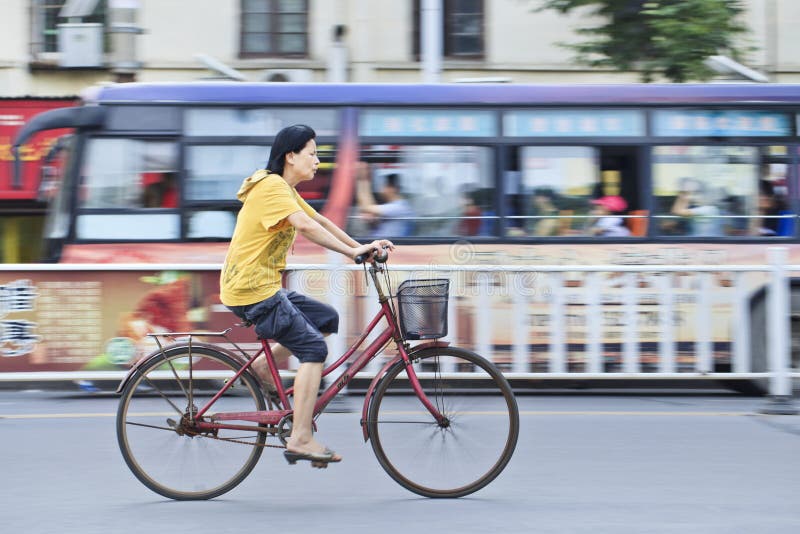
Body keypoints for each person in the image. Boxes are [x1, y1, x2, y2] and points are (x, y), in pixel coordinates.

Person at [220, 124, 394, 467]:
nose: (317, 161)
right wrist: (352, 254)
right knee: (313, 348)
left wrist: (359, 247)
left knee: (326, 319)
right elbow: (306, 226)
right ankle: (300, 437)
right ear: (290, 156)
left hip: (261, 285)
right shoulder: (271, 187)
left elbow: (322, 221)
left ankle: (260, 370)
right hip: (252, 289)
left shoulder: (283, 188)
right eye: (312, 154)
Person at [356, 166, 415, 237]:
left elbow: (366, 207)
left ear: (392, 188)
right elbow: (370, 212)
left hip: (385, 246)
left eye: (384, 186)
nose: (381, 190)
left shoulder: (399, 207)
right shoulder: (395, 206)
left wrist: (362, 179)